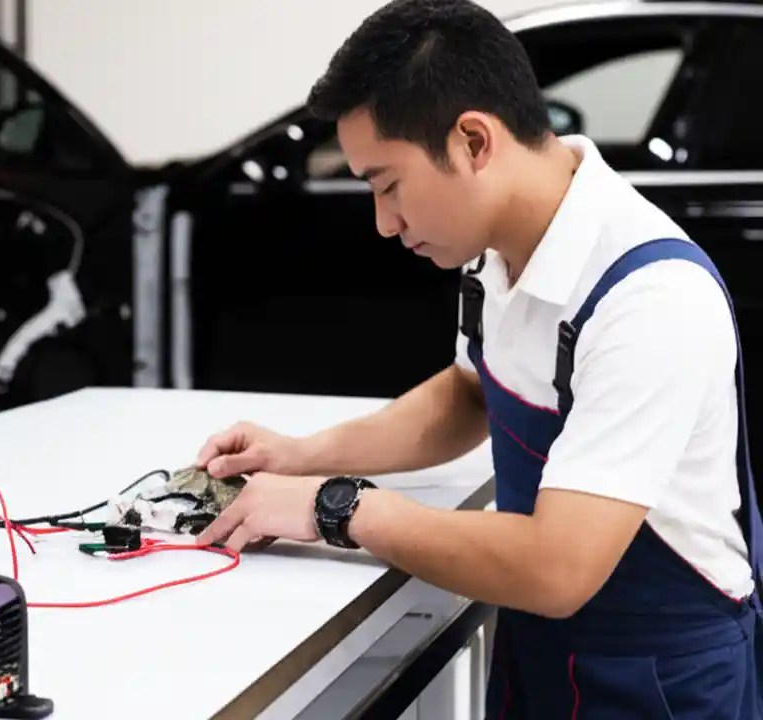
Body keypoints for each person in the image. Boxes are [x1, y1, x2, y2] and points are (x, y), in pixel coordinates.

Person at [193, 0, 763, 715]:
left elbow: (558, 567)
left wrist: (338, 508)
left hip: (656, 679)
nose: (384, 222)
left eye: (388, 184)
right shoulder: (499, 254)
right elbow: (469, 393)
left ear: (472, 142)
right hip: (538, 642)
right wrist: (300, 456)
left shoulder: (650, 299)